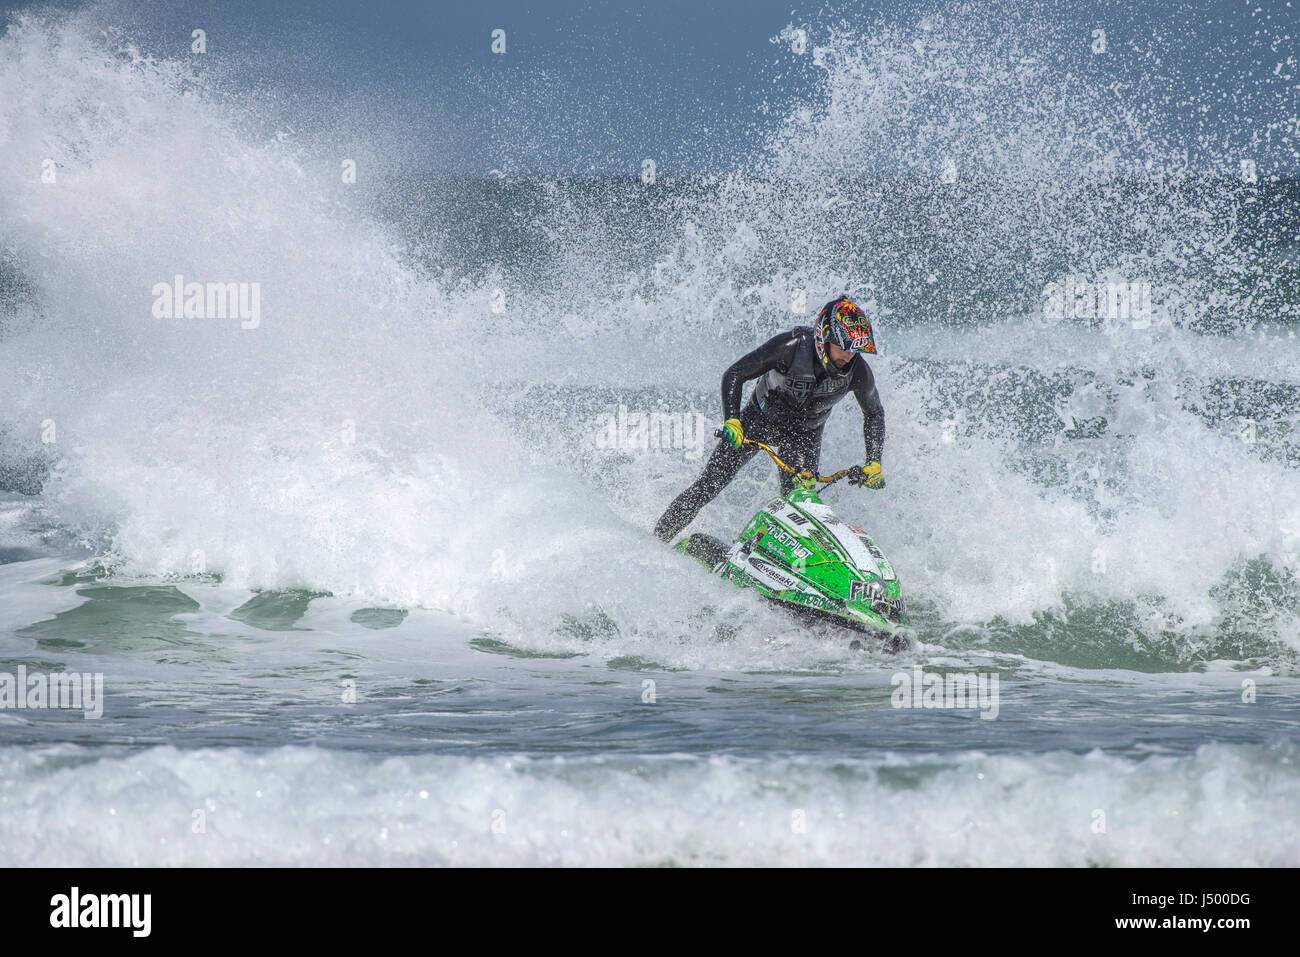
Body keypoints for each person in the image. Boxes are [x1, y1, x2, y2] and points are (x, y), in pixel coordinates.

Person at [654, 294, 886, 543]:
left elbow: (874, 413)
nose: (849, 357)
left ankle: (788, 570)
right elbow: (735, 374)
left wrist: (873, 461)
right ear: (824, 338)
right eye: (843, 348)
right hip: (758, 423)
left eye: (855, 351)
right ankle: (657, 540)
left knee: (801, 506)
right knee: (709, 484)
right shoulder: (792, 347)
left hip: (804, 436)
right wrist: (732, 419)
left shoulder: (858, 371)